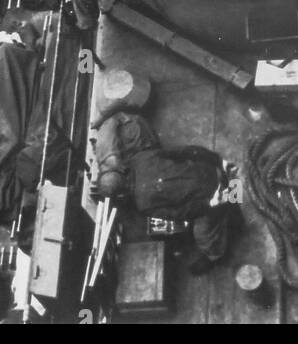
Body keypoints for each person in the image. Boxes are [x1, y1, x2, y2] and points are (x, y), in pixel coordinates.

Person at [92, 110, 236, 272]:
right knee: (232, 188)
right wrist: (217, 159)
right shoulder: (141, 158)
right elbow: (184, 151)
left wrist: (208, 205)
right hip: (210, 169)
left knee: (203, 235)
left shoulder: (143, 204)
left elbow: (181, 213)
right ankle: (234, 188)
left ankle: (215, 255)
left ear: (121, 194)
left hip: (214, 197)